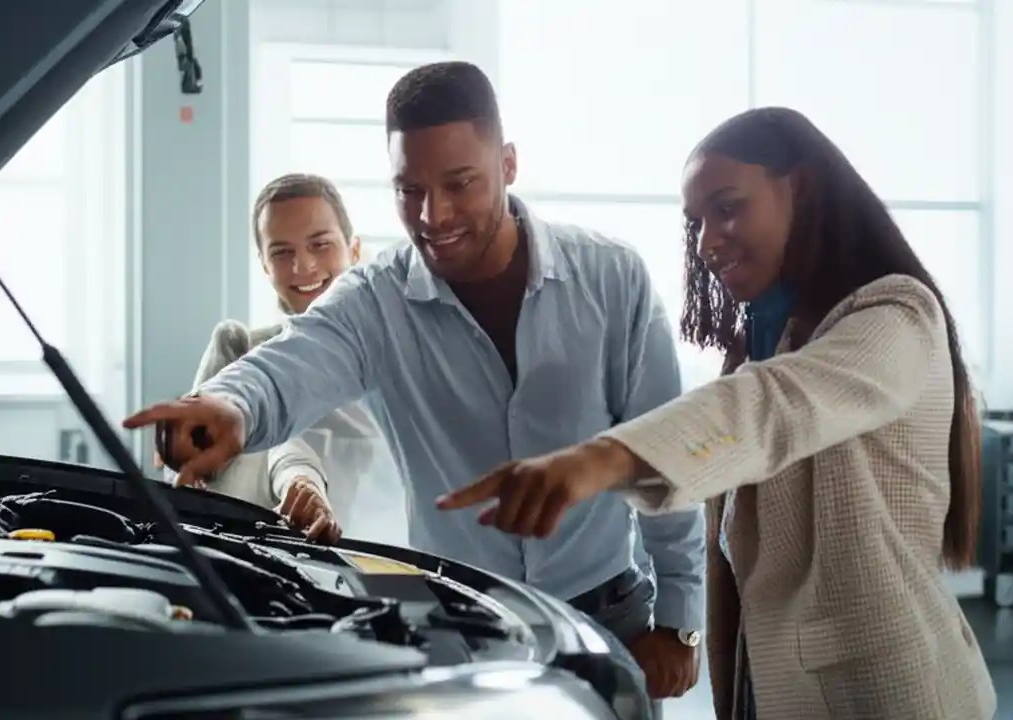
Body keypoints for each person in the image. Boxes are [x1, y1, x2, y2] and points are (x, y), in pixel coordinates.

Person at [125, 61, 705, 707]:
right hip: (460, 624)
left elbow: (664, 446)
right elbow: (294, 357)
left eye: (460, 184)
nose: (433, 214)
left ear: (508, 164)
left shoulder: (612, 278)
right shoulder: (375, 302)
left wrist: (680, 618)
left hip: (609, 619)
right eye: (409, 191)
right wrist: (230, 406)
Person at [438, 106, 997, 720]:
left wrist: (595, 459)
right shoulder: (775, 339)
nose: (705, 242)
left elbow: (771, 405)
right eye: (696, 222)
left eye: (727, 208)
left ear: (801, 189)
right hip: (773, 685)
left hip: (886, 692)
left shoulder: (898, 316)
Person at [164, 173, 407, 546]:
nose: (303, 267)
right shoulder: (240, 352)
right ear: (264, 264)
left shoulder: (405, 356)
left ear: (354, 250)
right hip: (266, 564)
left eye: (320, 244)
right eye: (282, 253)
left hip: (385, 566)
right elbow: (187, 477)